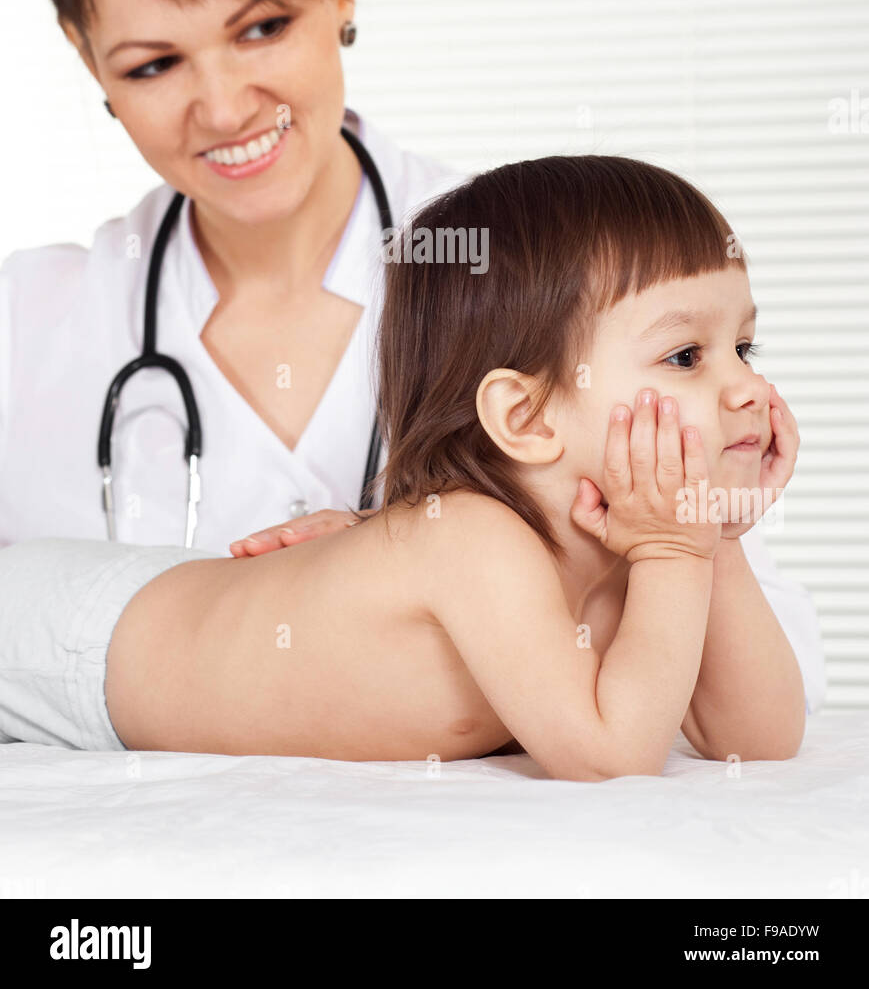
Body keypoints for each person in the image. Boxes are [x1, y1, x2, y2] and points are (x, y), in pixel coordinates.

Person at [0, 157, 820, 774]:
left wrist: (714, 537)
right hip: (74, 635)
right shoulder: (473, 539)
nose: (746, 386)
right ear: (526, 416)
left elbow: (755, 740)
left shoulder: (630, 552)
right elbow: (611, 755)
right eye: (686, 355)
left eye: (743, 346)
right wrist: (677, 551)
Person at [0, 0, 464, 551]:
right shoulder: (23, 332)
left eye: (262, 28)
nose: (220, 110)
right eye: (154, 65)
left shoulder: (538, 268)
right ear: (88, 59)